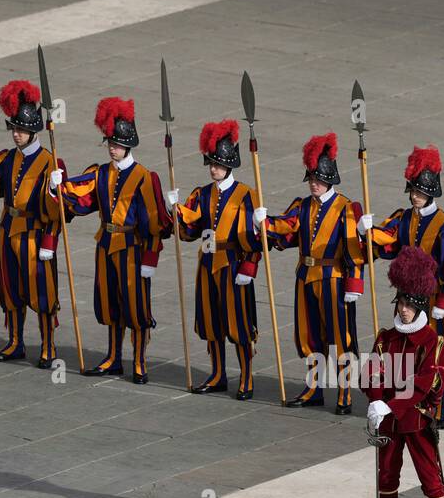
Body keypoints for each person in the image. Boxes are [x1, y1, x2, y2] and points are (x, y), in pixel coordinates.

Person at [51, 97, 170, 383]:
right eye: (109, 143)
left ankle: (139, 361)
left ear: (127, 144)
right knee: (110, 305)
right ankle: (113, 357)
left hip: (133, 250)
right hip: (105, 245)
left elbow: (155, 223)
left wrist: (150, 259)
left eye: (115, 144)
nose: (111, 147)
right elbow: (82, 197)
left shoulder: (144, 177)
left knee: (136, 307)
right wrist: (59, 187)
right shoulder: (101, 172)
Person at [353, 246, 444, 498]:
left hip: (416, 422)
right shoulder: (386, 338)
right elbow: (372, 372)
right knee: (386, 479)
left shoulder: (433, 343)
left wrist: (389, 404)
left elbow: (424, 384)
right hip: (389, 425)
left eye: (410, 304)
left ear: (420, 305)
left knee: (431, 483)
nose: (405, 310)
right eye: (401, 303)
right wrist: (376, 400)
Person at [256, 133, 367, 413]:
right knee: (308, 335)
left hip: (334, 279)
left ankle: (344, 392)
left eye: (317, 179)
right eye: (310, 178)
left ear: (329, 178)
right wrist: (265, 224)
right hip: (305, 276)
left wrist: (354, 283)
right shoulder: (302, 205)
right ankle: (314, 387)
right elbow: (288, 227)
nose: (313, 183)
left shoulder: (346, 208)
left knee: (340, 336)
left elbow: (354, 248)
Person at [0, 80, 63, 367]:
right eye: (14, 129)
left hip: (35, 235)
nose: (16, 134)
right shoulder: (7, 158)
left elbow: (59, 213)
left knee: (42, 293)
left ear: (33, 131)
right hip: (8, 231)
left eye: (21, 130)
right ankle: (15, 342)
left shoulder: (50, 163)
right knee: (10, 290)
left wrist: (50, 242)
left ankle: (47, 345)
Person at [364, 146, 444, 427]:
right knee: (407, 350)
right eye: (412, 191)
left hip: (433, 300)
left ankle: (440, 405)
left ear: (431, 192)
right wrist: (368, 231)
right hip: (408, 298)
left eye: (419, 192)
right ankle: (406, 397)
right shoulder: (405, 216)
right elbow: (388, 241)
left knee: (437, 354)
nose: (414, 196)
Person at [174, 120, 260, 398]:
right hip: (208, 262)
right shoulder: (202, 193)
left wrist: (249, 266)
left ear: (230, 165)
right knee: (212, 322)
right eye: (211, 163)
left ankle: (246, 377)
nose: (214, 168)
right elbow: (189, 231)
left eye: (219, 164)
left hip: (233, 263)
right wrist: (174, 210)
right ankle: (218, 373)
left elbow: (254, 236)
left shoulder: (246, 195)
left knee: (239, 324)